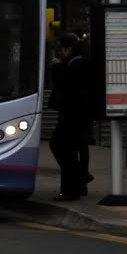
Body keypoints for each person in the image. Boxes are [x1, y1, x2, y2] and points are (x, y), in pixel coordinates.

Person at [49, 32, 93, 201]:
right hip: (80, 115)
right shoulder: (81, 61)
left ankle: (72, 185)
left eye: (62, 49)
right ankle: (77, 182)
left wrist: (56, 68)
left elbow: (64, 87)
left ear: (69, 48)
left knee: (62, 147)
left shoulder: (75, 65)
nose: (60, 53)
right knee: (72, 150)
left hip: (71, 115)